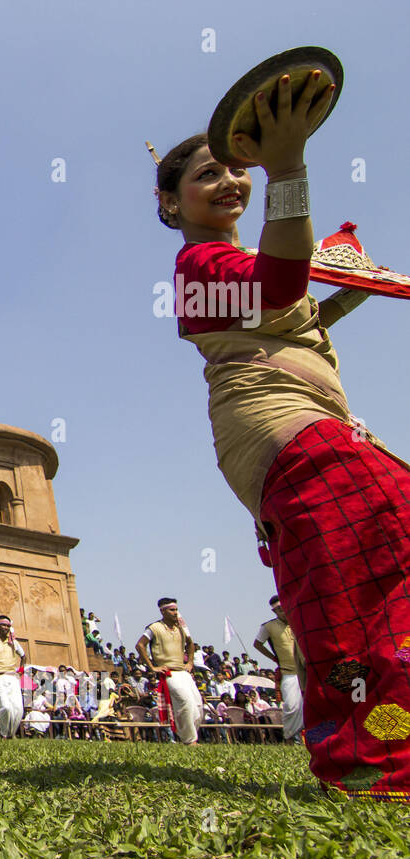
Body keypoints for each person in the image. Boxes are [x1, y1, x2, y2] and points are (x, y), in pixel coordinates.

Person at [156, 75, 410, 796]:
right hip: (284, 430)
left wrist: (341, 300)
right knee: (364, 559)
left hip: (302, 422)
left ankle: (374, 752)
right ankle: (375, 763)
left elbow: (284, 316)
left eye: (237, 167)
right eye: (210, 173)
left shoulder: (235, 270)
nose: (233, 179)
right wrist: (289, 166)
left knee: (363, 561)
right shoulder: (199, 265)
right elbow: (276, 288)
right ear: (171, 204)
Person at [136, 598, 200, 745]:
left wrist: (190, 662)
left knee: (198, 706)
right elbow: (140, 645)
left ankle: (190, 736)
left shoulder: (182, 627)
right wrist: (152, 667)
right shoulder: (154, 628)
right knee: (186, 703)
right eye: (172, 610)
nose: (175, 612)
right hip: (168, 673)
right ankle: (189, 740)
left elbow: (191, 644)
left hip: (183, 671)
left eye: (176, 609)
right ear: (162, 611)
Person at [253, 594, 303, 743]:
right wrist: (274, 658)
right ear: (274, 611)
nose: (281, 611)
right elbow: (257, 644)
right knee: (291, 707)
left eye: (282, 608)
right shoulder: (268, 626)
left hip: (308, 671)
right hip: (289, 672)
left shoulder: (298, 620)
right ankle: (289, 739)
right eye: (277, 610)